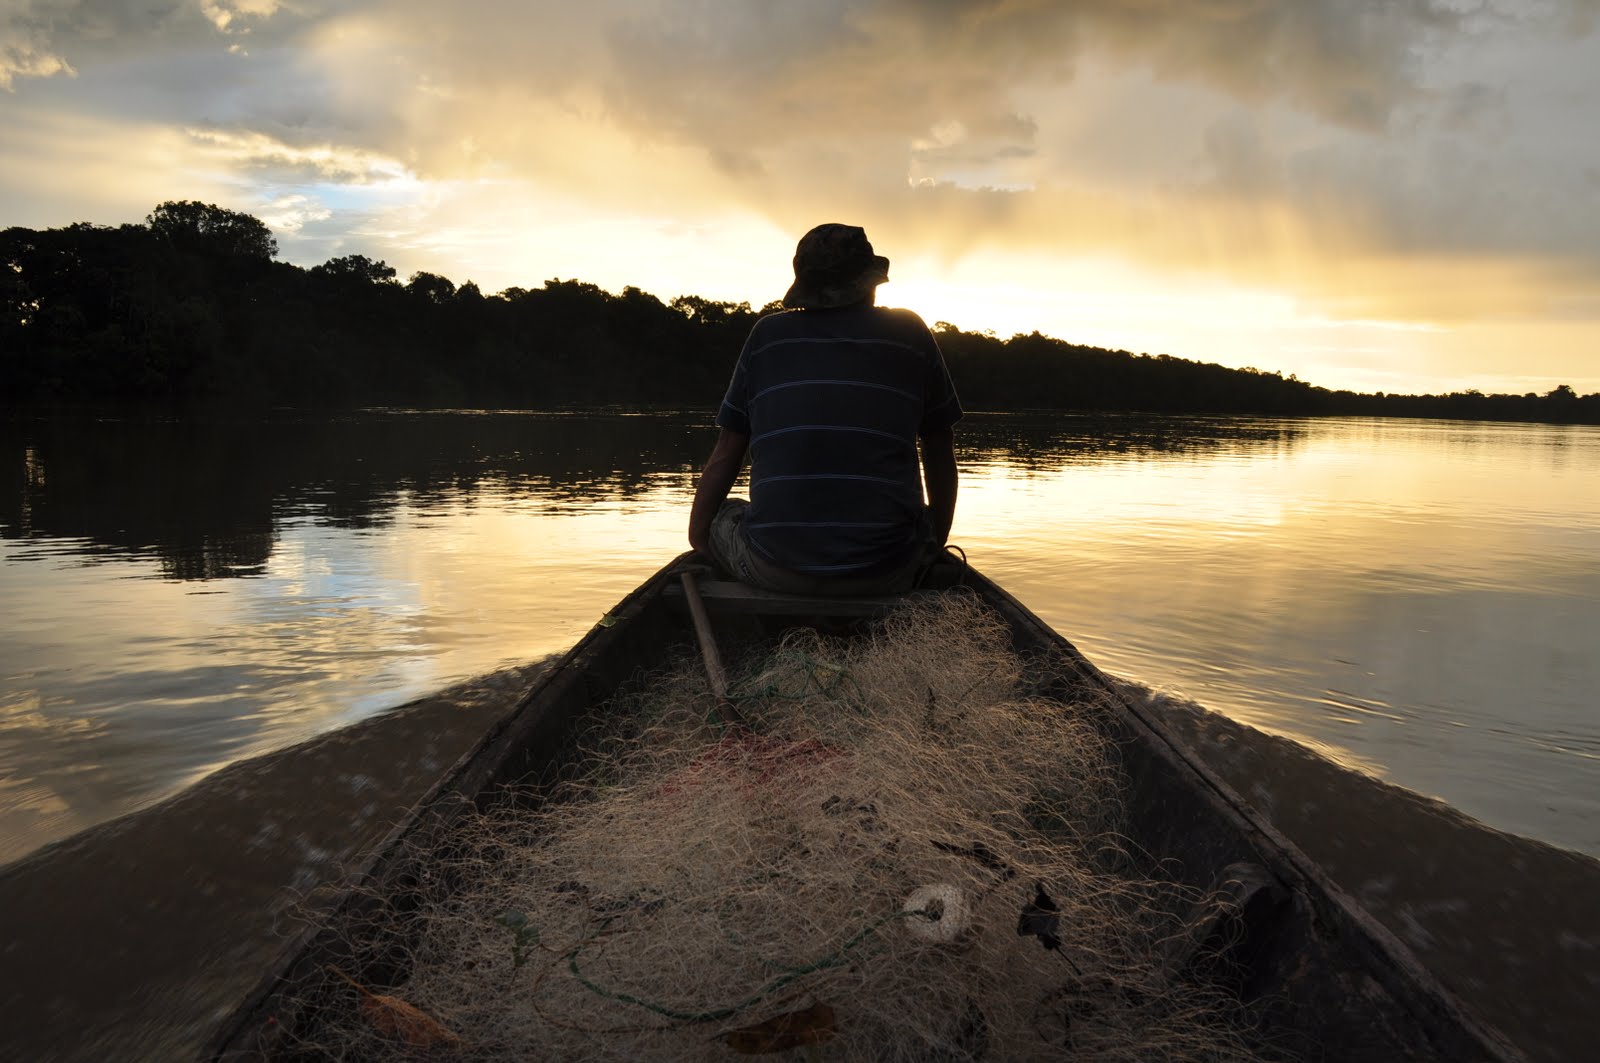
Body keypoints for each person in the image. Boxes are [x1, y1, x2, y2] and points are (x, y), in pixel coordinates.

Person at [687, 223, 961, 595]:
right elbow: (939, 449)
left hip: (774, 568)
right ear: (871, 283)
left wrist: (700, 539)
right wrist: (933, 541)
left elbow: (727, 452)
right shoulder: (910, 333)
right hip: (888, 572)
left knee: (726, 513)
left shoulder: (767, 337)